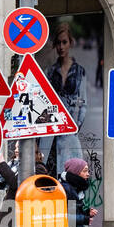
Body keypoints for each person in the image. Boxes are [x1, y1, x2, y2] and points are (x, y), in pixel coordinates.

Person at [43, 22, 86, 172]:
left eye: (64, 42)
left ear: (70, 43)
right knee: (48, 175)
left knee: (70, 175)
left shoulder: (79, 71)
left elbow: (83, 104)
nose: (61, 47)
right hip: (50, 134)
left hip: (69, 135)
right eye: (58, 43)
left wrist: (75, 127)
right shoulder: (49, 71)